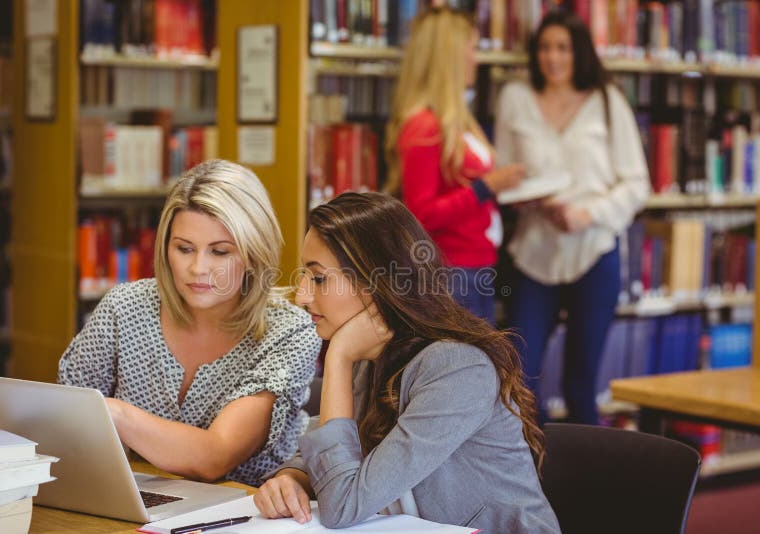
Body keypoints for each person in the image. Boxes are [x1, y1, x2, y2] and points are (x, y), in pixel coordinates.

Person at [254, 192, 560, 533]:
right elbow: (335, 445)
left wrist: (338, 358)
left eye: (319, 278)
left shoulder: (457, 369)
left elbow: (342, 505)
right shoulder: (374, 357)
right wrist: (293, 477)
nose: (302, 296)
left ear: (376, 283)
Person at [58, 160, 321, 486]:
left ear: (254, 252)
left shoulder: (289, 331)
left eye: (220, 252)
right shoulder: (123, 308)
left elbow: (216, 457)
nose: (198, 268)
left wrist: (112, 412)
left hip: (248, 515)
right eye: (184, 248)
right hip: (138, 504)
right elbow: (64, 421)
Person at [495, 10, 650, 425]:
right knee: (519, 377)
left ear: (579, 52)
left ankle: (587, 481)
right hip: (533, 254)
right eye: (544, 47)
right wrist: (536, 202)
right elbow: (502, 179)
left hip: (594, 252)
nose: (553, 57)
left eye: (562, 47)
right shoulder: (515, 98)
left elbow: (637, 184)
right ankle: (535, 475)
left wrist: (588, 214)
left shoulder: (607, 100)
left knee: (582, 382)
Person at [384, 6, 526, 323]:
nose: (477, 58)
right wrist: (485, 187)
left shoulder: (457, 122)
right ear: (450, 57)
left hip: (476, 268)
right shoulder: (424, 127)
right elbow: (420, 214)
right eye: (472, 48)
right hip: (453, 273)